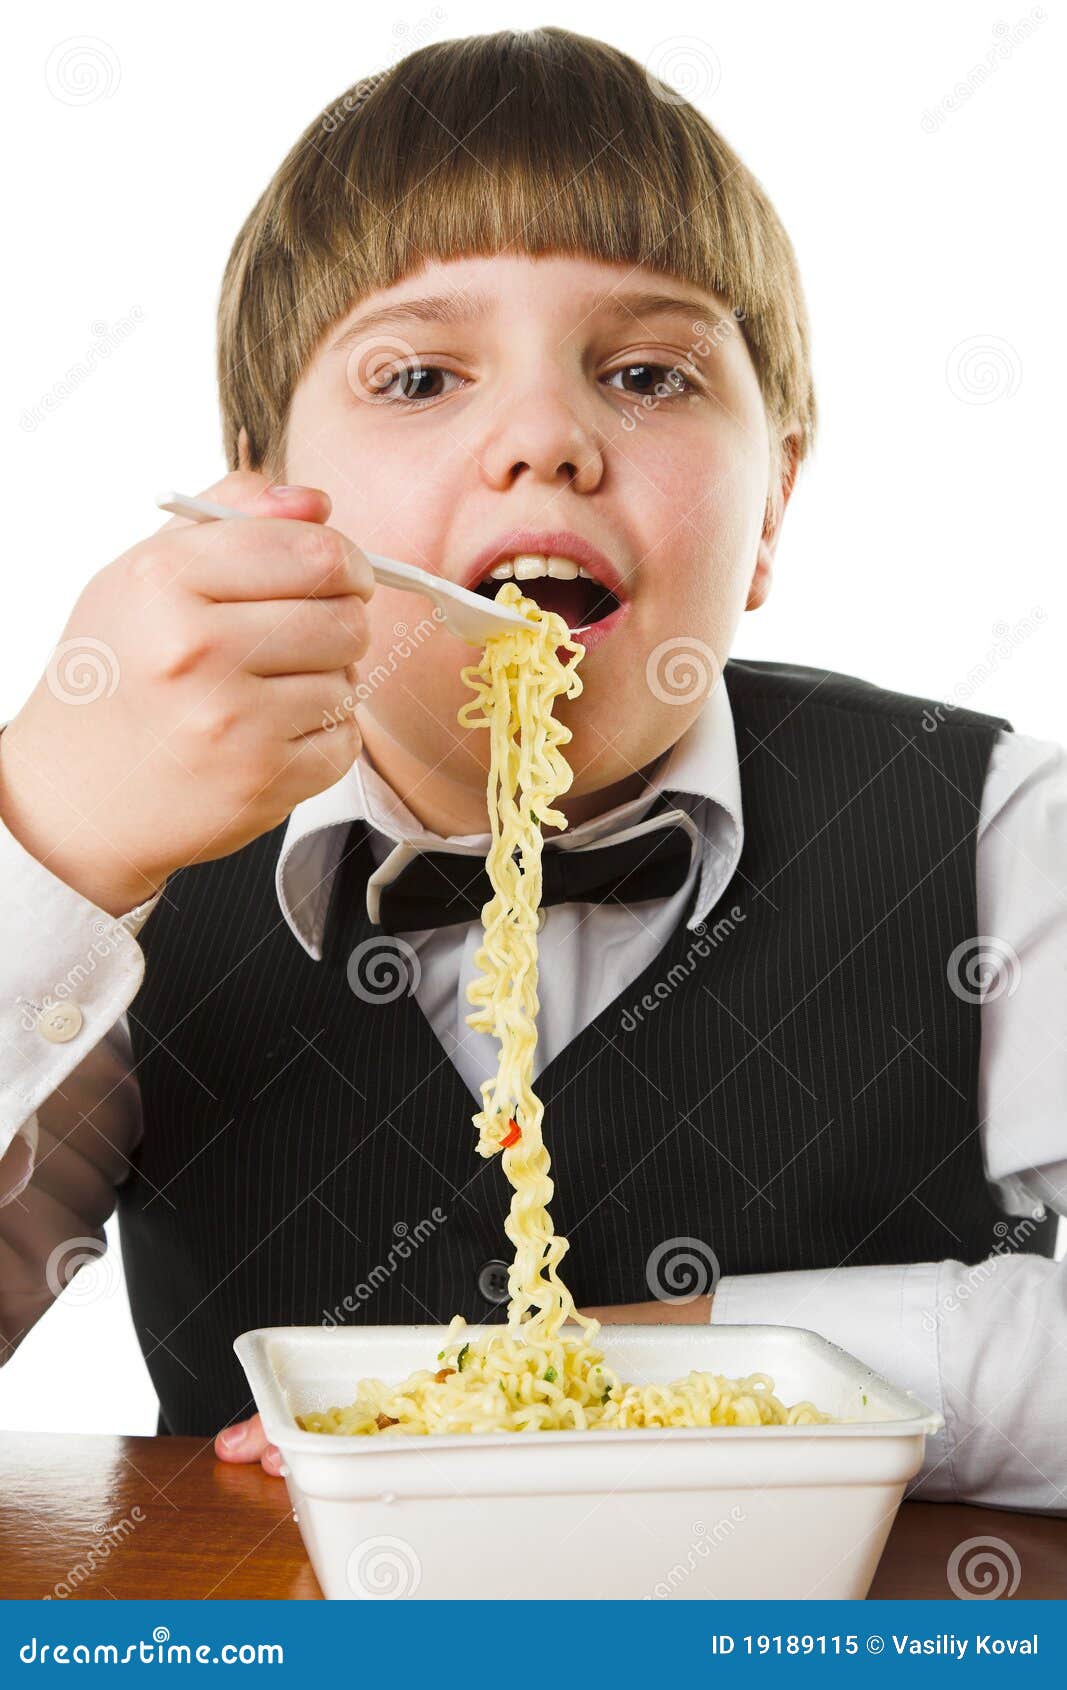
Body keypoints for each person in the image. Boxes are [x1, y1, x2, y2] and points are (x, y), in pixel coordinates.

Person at [0, 27, 1063, 1513]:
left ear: (775, 507)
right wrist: (41, 844)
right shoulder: (134, 884)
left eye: (645, 372)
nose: (546, 440)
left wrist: (682, 1371)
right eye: (422, 375)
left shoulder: (998, 831)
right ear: (264, 492)